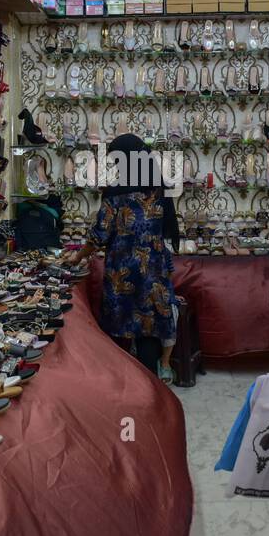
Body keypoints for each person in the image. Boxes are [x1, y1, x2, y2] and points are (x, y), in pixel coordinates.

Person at [64, 134, 180, 374]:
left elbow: (99, 235)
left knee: (119, 329)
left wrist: (77, 256)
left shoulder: (115, 193)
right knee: (149, 328)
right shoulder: (159, 188)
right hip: (153, 270)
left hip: (122, 271)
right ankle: (150, 385)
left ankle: (124, 383)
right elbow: (169, 226)